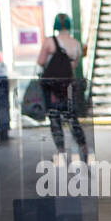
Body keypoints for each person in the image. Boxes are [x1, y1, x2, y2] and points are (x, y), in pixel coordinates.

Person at [36, 13, 89, 162]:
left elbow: (40, 62)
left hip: (51, 87)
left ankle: (61, 152)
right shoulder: (76, 44)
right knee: (72, 118)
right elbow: (73, 65)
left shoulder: (49, 42)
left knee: (54, 118)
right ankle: (83, 148)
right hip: (68, 87)